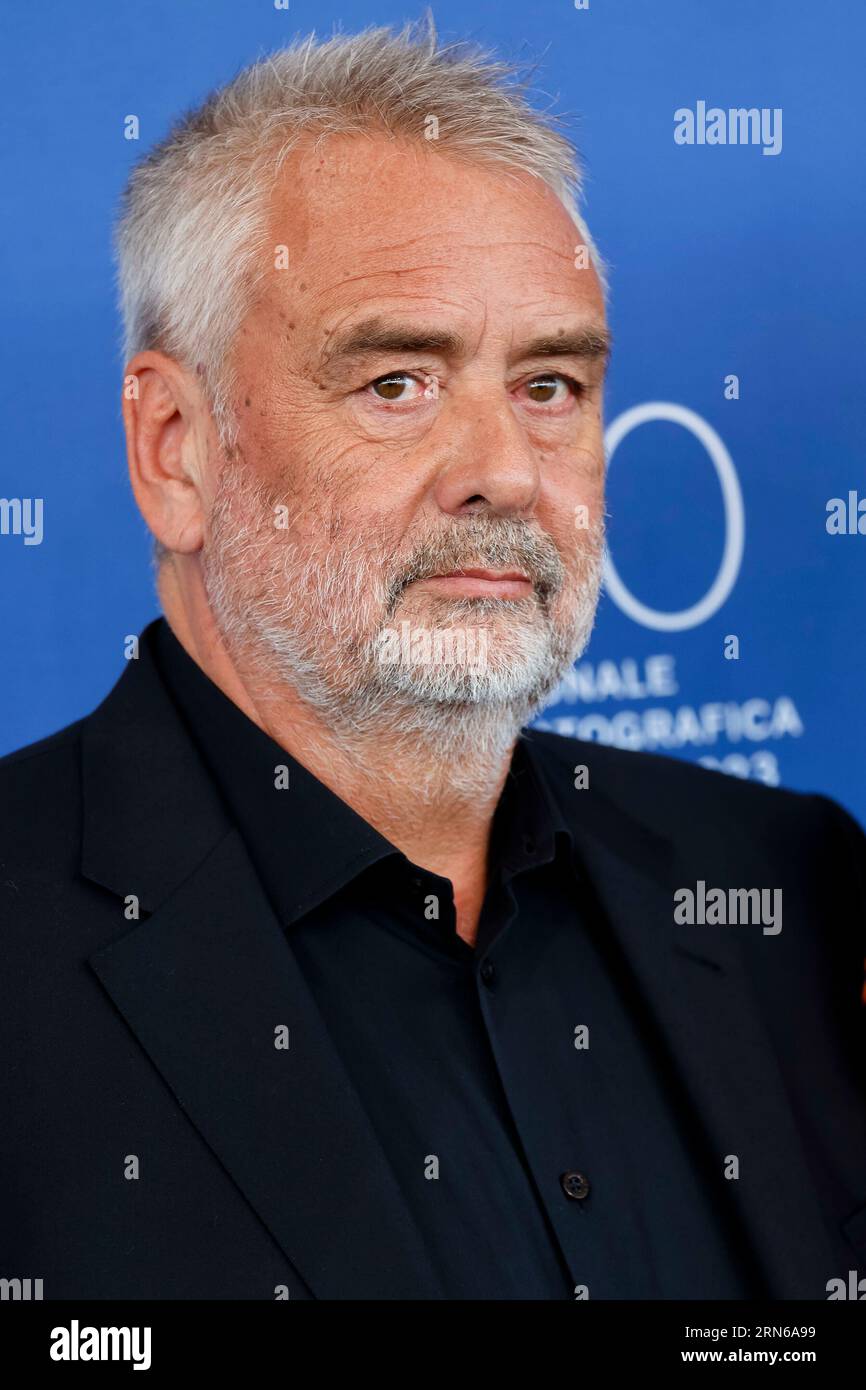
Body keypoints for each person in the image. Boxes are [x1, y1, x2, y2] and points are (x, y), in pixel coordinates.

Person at [2, 19, 865, 1301]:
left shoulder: (785, 884)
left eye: (551, 384)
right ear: (175, 447)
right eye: (397, 381)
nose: (504, 472)